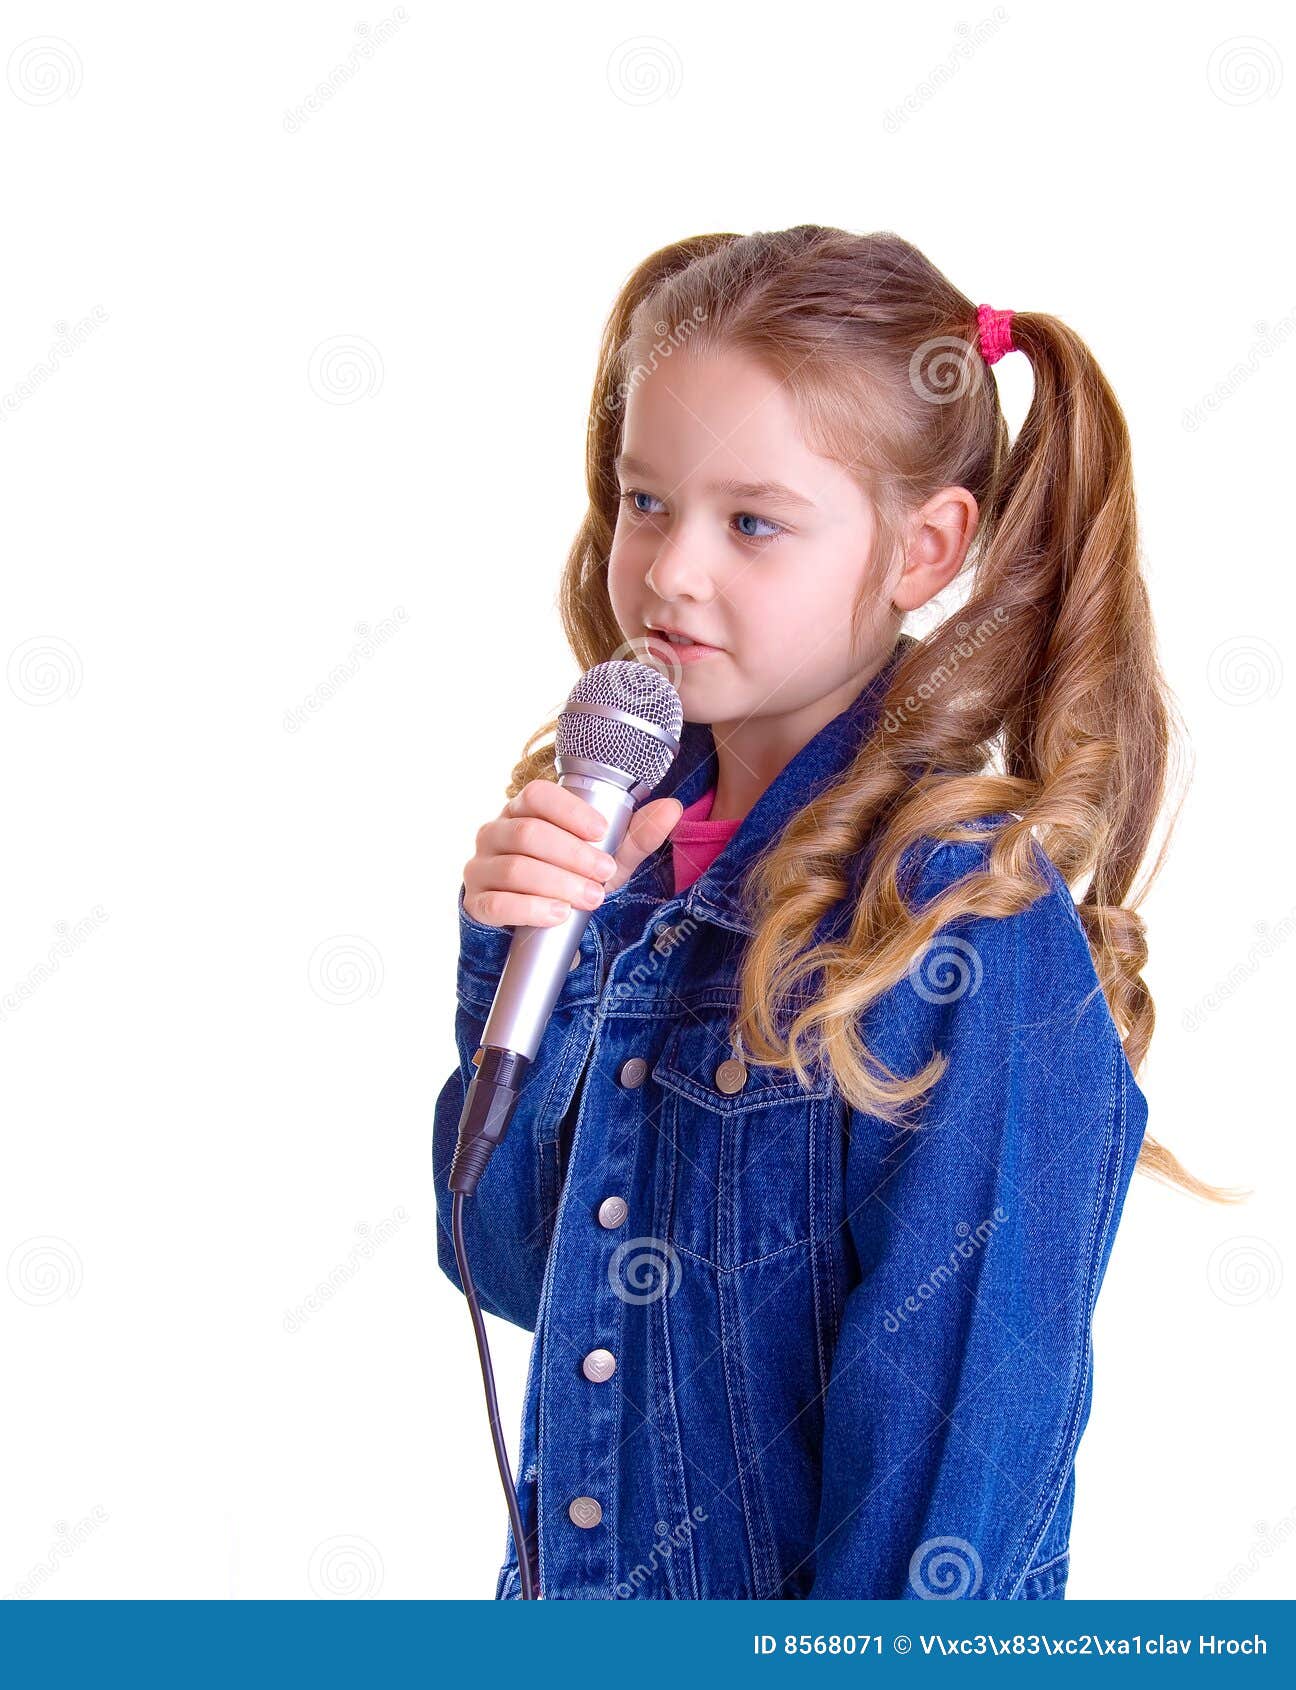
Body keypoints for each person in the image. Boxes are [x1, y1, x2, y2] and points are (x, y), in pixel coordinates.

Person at [431, 226, 1246, 1601]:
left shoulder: (957, 912)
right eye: (645, 501)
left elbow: (956, 1469)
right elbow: (503, 1263)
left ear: (926, 548)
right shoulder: (622, 862)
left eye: (751, 522)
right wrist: (523, 961)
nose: (672, 572)